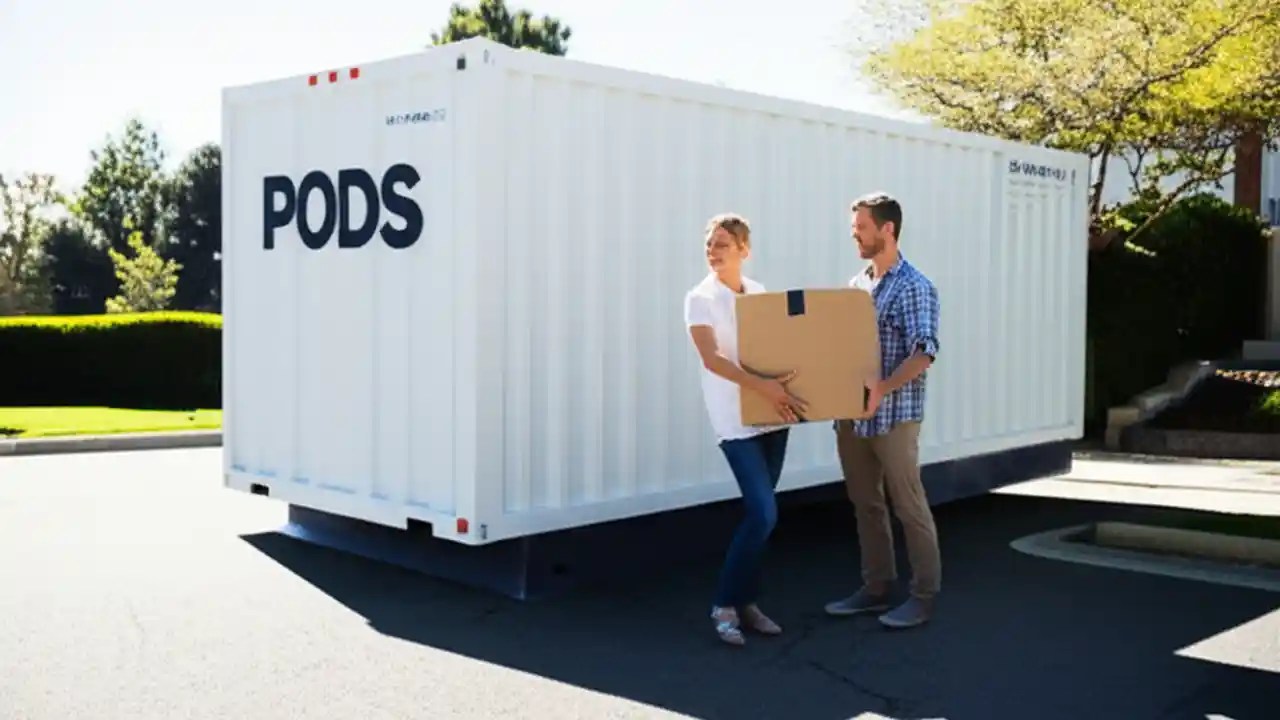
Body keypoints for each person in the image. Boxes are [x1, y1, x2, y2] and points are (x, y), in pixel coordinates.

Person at [684, 212, 808, 647]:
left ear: (744, 250)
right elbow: (711, 359)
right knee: (762, 512)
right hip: (734, 423)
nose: (713, 252)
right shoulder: (700, 299)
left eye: (722, 244)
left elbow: (777, 348)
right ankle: (723, 604)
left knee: (763, 520)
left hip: (772, 416)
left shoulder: (758, 294)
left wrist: (792, 389)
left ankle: (747, 603)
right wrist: (766, 388)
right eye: (709, 244)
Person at [824, 192, 942, 630]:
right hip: (852, 418)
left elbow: (925, 351)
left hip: (894, 417)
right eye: (854, 225)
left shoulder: (914, 285)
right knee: (865, 504)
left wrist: (883, 388)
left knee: (909, 505)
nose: (854, 232)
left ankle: (923, 597)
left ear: (887, 229)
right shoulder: (857, 286)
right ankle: (876, 589)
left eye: (861, 226)